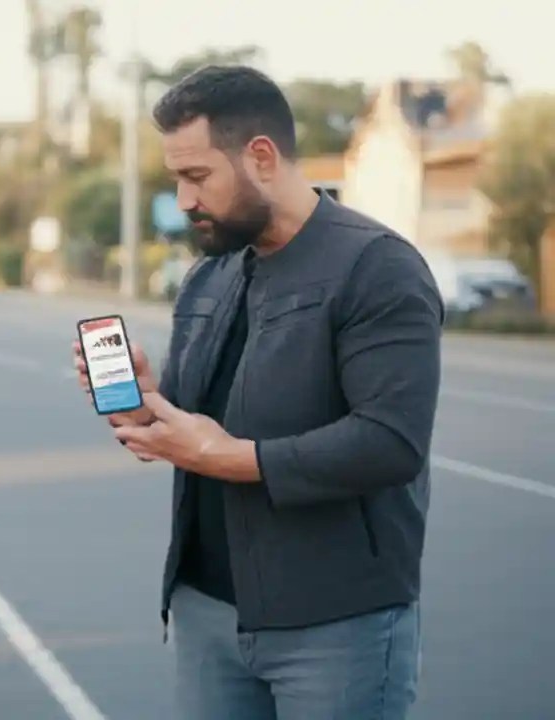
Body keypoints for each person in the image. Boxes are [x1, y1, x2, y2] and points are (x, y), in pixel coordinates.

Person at [72, 65, 443, 720]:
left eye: (197, 176)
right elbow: (190, 425)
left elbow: (390, 444)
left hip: (335, 627)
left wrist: (227, 458)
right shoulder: (210, 275)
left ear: (262, 158)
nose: (184, 200)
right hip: (206, 614)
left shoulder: (378, 268)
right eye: (176, 179)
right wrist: (142, 406)